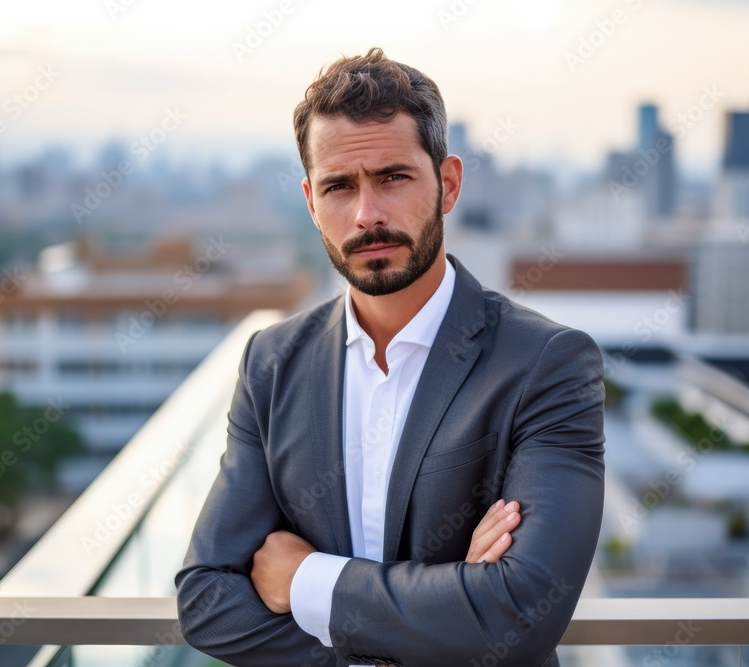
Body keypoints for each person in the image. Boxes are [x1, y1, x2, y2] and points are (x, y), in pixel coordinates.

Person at [175, 47, 605, 667]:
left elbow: (519, 614)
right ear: (310, 202)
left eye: (393, 178)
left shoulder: (547, 364)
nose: (367, 215)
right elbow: (207, 599)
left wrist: (306, 580)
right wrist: (442, 614)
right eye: (339, 187)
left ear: (448, 184)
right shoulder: (271, 364)